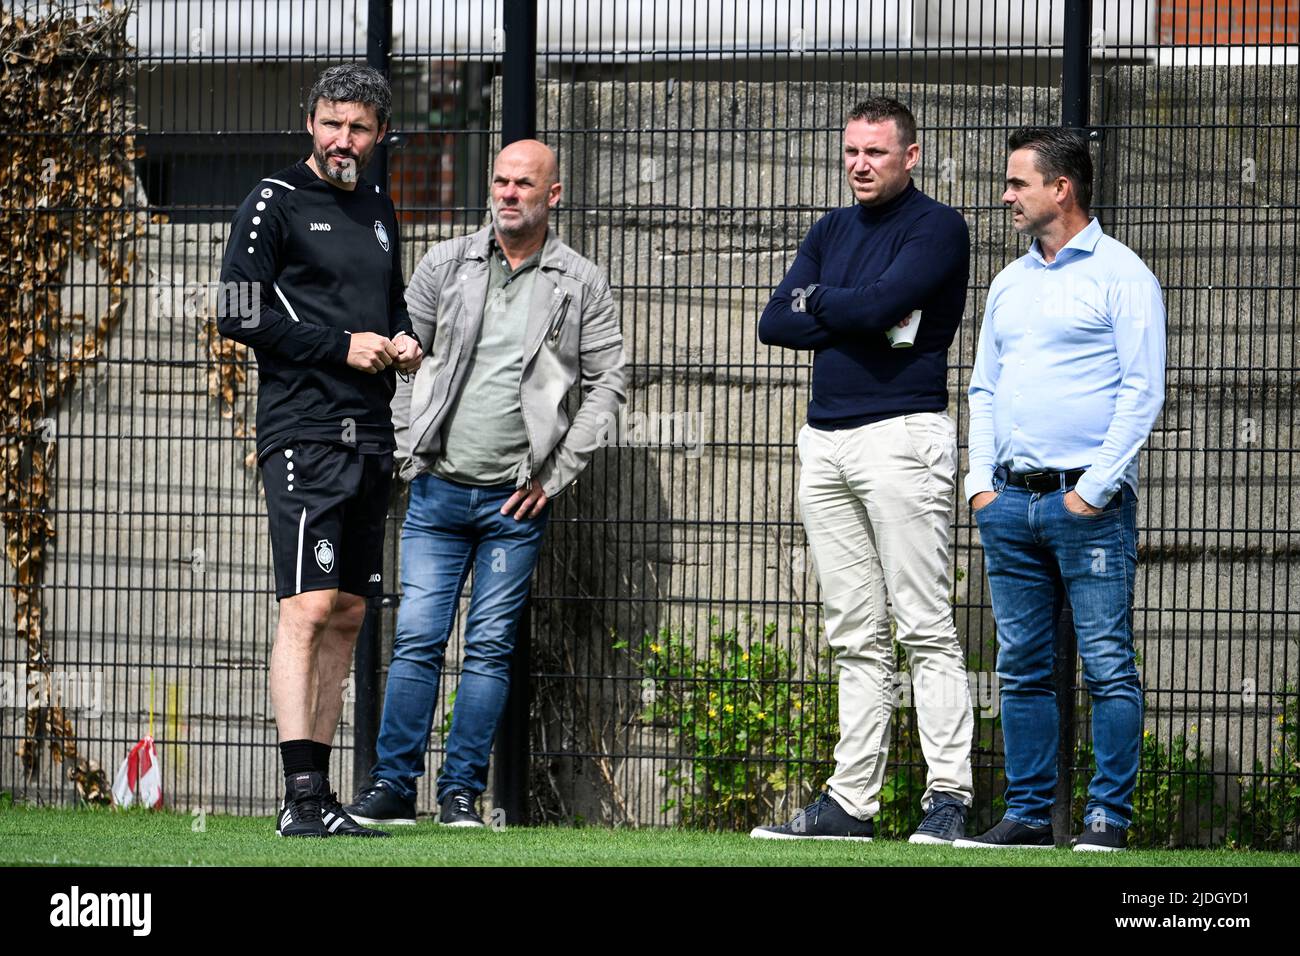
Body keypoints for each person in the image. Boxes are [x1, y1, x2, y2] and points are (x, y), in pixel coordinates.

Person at [344, 139, 627, 828]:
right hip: (437, 493)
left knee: (490, 648)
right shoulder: (448, 262)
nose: (506, 193)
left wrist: (555, 476)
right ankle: (391, 789)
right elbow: (404, 354)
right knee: (415, 639)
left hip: (513, 502)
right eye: (499, 180)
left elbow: (608, 383)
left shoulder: (581, 281)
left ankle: (460, 793)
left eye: (522, 184)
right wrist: (411, 449)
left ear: (552, 195)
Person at [754, 97, 975, 844]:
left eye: (875, 152)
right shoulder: (830, 227)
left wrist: (834, 303)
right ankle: (851, 804)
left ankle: (949, 799)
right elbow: (774, 320)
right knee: (853, 631)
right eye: (851, 150)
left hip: (903, 436)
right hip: (824, 441)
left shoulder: (938, 226)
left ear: (910, 156)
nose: (859, 164)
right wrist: (860, 312)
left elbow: (888, 301)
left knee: (924, 626)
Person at [218, 63, 423, 837]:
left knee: (347, 614)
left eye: (360, 127)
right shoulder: (272, 200)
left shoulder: (377, 206)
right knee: (306, 607)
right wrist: (341, 347)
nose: (344, 139)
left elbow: (390, 302)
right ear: (312, 123)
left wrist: (403, 340)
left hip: (372, 433)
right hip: (304, 430)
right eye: (332, 123)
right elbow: (236, 312)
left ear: (377, 136)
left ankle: (322, 797)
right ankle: (299, 798)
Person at [954, 127, 1165, 851]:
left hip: (1088, 508)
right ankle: (1029, 815)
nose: (1007, 195)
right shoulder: (1009, 283)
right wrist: (981, 484)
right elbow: (983, 388)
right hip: (1009, 505)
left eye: (1018, 183)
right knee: (1021, 666)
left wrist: (1094, 490)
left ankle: (1108, 818)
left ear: (1060, 188)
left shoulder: (1124, 275)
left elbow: (1142, 392)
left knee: (1107, 663)